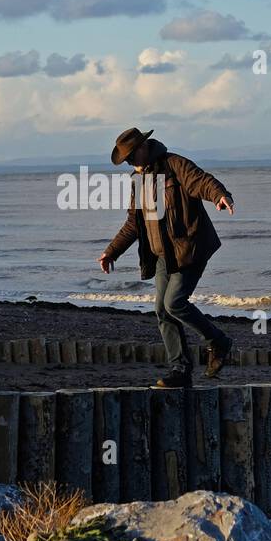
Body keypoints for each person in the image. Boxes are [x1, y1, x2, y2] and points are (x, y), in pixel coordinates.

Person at [99, 127, 235, 387]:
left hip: (189, 248)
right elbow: (133, 224)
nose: (129, 163)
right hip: (162, 255)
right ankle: (180, 370)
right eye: (126, 161)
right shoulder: (138, 181)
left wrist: (220, 195)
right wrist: (111, 251)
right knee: (162, 310)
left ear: (144, 147)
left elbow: (202, 181)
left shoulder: (174, 164)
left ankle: (218, 342)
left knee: (174, 303)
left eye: (131, 157)